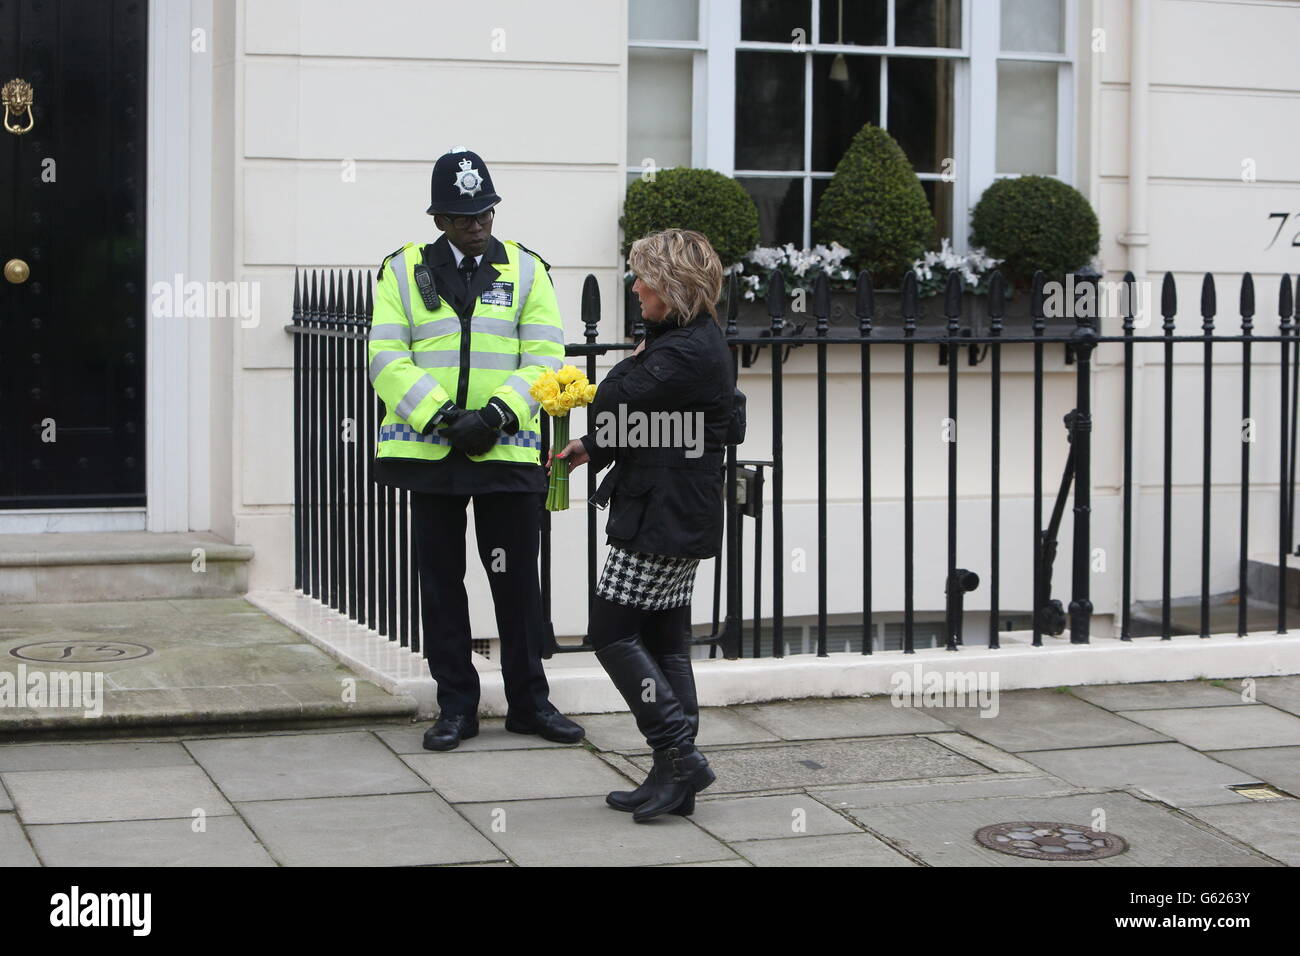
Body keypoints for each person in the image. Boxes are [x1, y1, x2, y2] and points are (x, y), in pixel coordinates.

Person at [368, 146, 584, 751]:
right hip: (430, 453)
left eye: (484, 210)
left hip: (506, 452)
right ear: (439, 218)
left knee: (516, 584)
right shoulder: (401, 269)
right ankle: (456, 706)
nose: (476, 223)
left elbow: (544, 355)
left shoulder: (527, 269)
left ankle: (529, 704)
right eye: (463, 215)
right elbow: (385, 356)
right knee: (441, 583)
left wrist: (494, 414)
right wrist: (442, 416)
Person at [554, 228, 733, 821]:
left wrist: (622, 374)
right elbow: (652, 424)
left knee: (611, 632)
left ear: (673, 286)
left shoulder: (684, 351)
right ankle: (671, 774)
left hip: (665, 512)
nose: (636, 287)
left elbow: (617, 401)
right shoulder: (681, 340)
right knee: (664, 640)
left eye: (645, 277)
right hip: (671, 506)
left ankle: (679, 756)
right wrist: (590, 447)